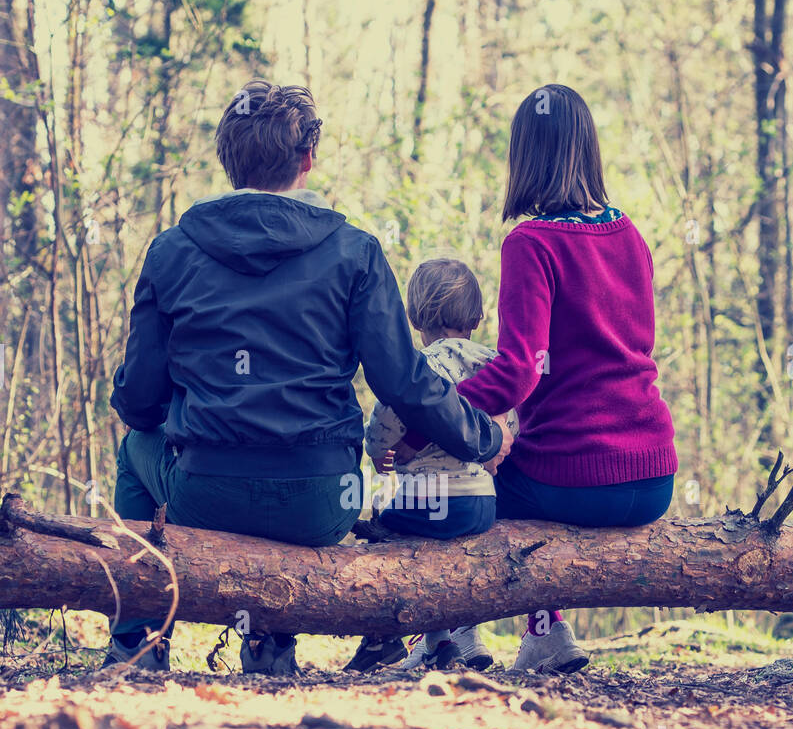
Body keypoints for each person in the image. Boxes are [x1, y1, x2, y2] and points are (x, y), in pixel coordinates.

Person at [107, 80, 512, 674]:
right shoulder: (356, 252)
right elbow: (404, 384)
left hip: (206, 490)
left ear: (227, 160)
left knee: (134, 452)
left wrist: (177, 418)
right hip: (324, 498)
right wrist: (485, 438)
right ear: (308, 159)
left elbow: (139, 399)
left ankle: (138, 642)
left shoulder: (171, 252)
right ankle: (272, 641)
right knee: (290, 481)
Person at [396, 84, 676, 674]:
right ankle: (547, 634)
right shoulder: (630, 234)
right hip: (653, 476)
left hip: (574, 475)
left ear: (524, 158)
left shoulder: (533, 243)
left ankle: (450, 634)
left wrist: (433, 414)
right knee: (514, 471)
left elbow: (520, 370)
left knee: (457, 487)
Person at [347, 258, 519, 673]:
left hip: (430, 499)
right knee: (440, 550)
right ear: (477, 317)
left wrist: (375, 449)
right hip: (480, 504)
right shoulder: (493, 364)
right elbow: (509, 421)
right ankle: (442, 644)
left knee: (383, 533)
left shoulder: (418, 368)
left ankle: (382, 641)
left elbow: (388, 415)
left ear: (413, 316)